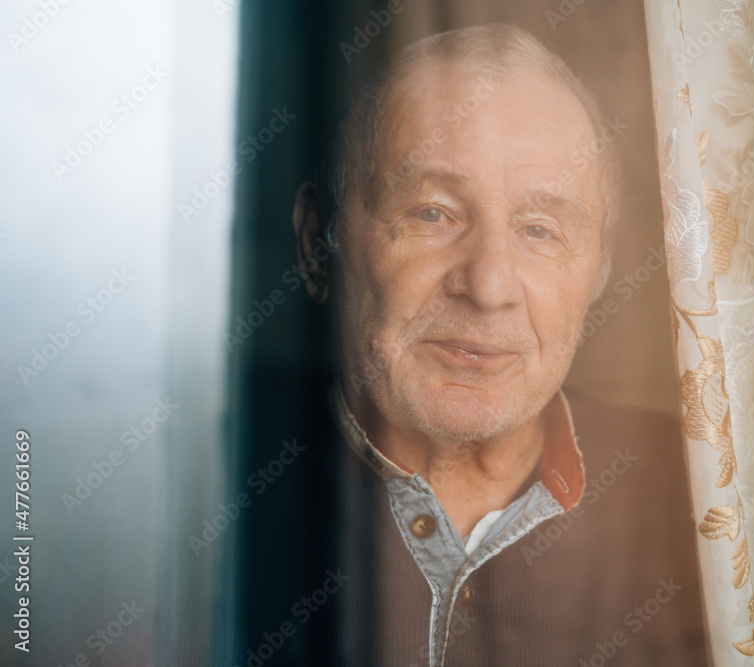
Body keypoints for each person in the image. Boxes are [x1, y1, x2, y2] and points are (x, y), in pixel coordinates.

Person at [291, 22, 707, 666]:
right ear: (318, 242)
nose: (488, 285)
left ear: (597, 273)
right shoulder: (204, 503)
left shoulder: (710, 504)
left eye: (539, 230)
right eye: (432, 213)